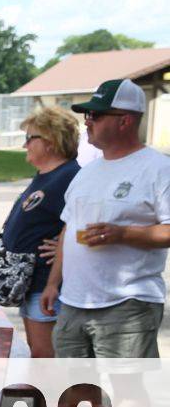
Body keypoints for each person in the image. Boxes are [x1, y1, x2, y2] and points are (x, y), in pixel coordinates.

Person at [42, 78, 170, 360]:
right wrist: (53, 283)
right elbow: (68, 228)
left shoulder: (159, 169)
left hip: (127, 303)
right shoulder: (87, 171)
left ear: (124, 121)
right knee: (73, 390)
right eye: (87, 115)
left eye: (96, 115)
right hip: (74, 302)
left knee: (127, 391)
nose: (87, 121)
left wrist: (123, 234)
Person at [0, 107, 80, 358]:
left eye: (30, 138)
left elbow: (79, 222)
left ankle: (55, 397)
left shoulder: (69, 176)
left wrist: (65, 245)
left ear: (51, 141)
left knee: (45, 357)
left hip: (47, 284)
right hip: (31, 282)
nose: (25, 145)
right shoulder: (47, 176)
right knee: (38, 352)